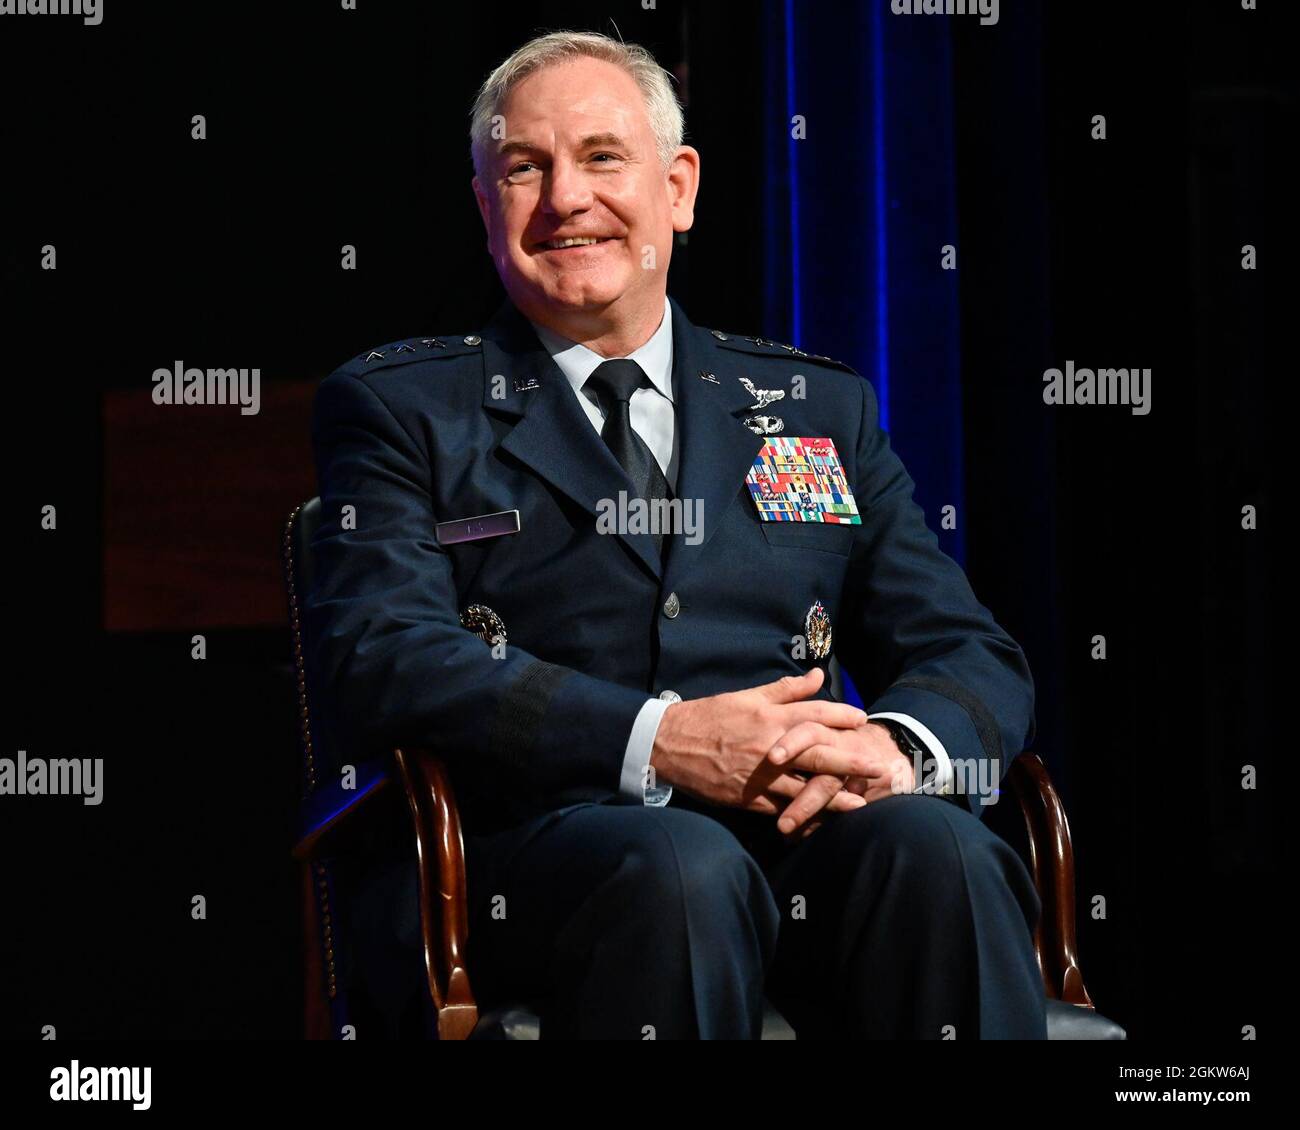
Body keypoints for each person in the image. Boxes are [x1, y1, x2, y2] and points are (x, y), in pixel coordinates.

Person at [305, 29, 1045, 1039]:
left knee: (937, 846)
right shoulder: (403, 406)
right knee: (679, 868)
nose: (566, 198)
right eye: (525, 169)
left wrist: (895, 748)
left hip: (794, 849)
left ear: (679, 187)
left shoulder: (814, 404)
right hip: (528, 863)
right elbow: (385, 653)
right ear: (488, 209)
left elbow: (967, 652)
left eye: (603, 157)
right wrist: (659, 739)